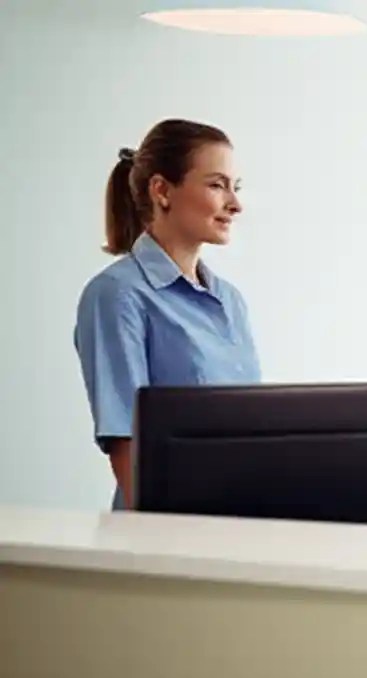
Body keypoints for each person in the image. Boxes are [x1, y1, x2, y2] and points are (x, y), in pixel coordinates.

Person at [74, 119, 260, 510]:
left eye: (236, 187)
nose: (235, 204)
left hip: (238, 521)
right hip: (165, 529)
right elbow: (125, 437)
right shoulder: (117, 294)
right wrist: (163, 540)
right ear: (161, 190)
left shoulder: (230, 300)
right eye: (217, 185)